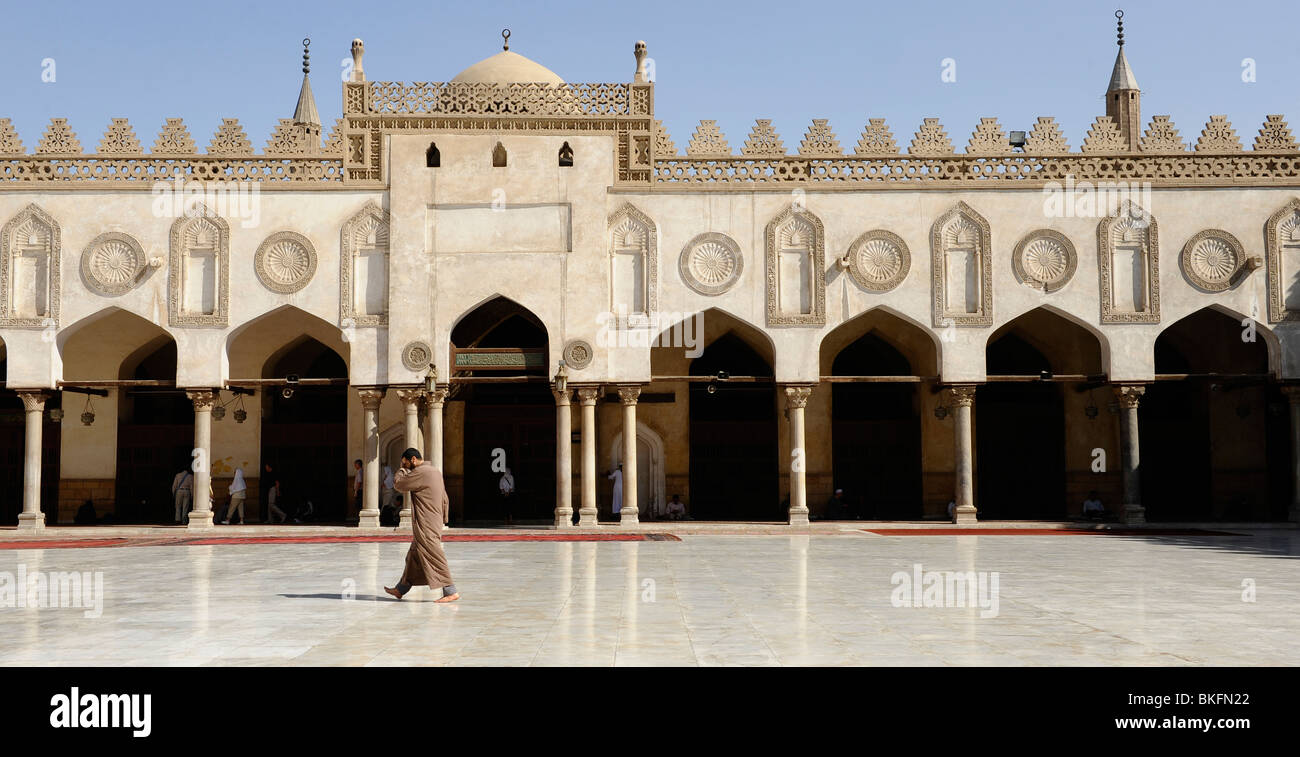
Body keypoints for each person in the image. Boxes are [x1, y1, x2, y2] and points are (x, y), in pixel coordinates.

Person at [385, 448, 458, 603]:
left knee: (433, 553)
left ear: (412, 460)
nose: (404, 465)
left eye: (405, 462)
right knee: (413, 556)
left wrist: (401, 470)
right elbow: (445, 497)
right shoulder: (434, 471)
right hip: (434, 518)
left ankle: (451, 591)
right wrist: (443, 517)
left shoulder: (421, 472)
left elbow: (399, 484)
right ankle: (401, 589)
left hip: (426, 521)